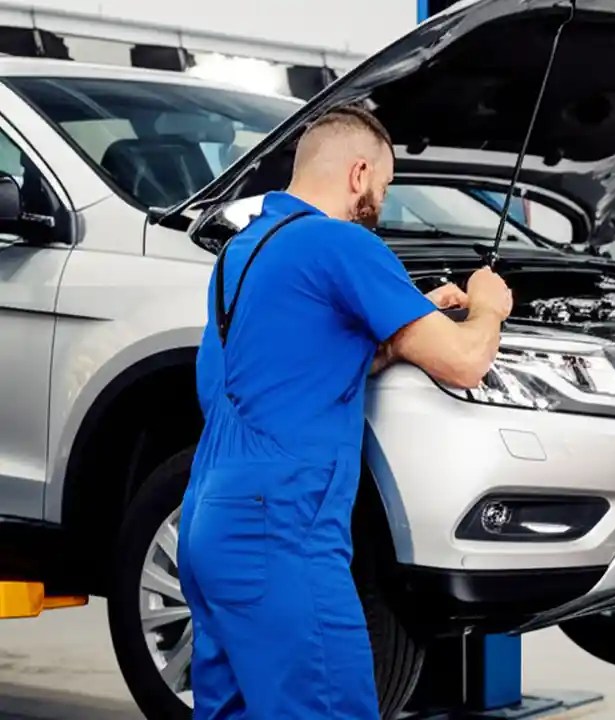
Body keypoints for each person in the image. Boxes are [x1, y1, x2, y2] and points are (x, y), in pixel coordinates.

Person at [176, 104, 512, 719]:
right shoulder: (341, 242)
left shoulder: (241, 253)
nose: (380, 201)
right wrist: (489, 305)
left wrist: (401, 325)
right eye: (384, 185)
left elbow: (274, 371)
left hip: (208, 521)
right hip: (282, 530)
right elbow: (465, 361)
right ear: (359, 173)